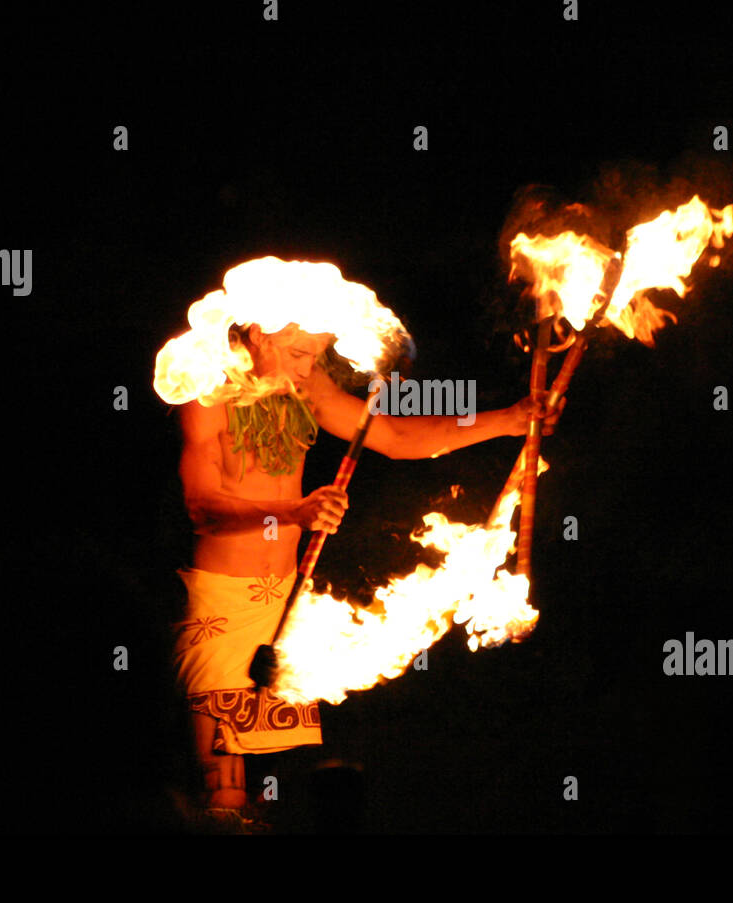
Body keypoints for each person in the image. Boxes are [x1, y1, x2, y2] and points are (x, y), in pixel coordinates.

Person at [172, 321, 561, 816]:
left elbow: (398, 436)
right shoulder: (206, 392)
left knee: (285, 790)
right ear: (258, 335)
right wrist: (293, 513)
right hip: (222, 605)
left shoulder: (306, 387)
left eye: (315, 355)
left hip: (287, 603)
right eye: (297, 353)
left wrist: (508, 419)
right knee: (222, 787)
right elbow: (200, 506)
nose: (308, 367)